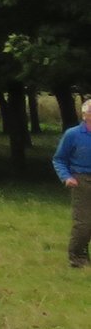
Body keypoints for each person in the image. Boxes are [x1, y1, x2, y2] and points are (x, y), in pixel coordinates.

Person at [52, 97, 91, 268]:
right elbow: (59, 159)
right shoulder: (73, 134)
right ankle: (77, 257)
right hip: (81, 180)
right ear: (85, 115)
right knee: (84, 223)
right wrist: (66, 177)